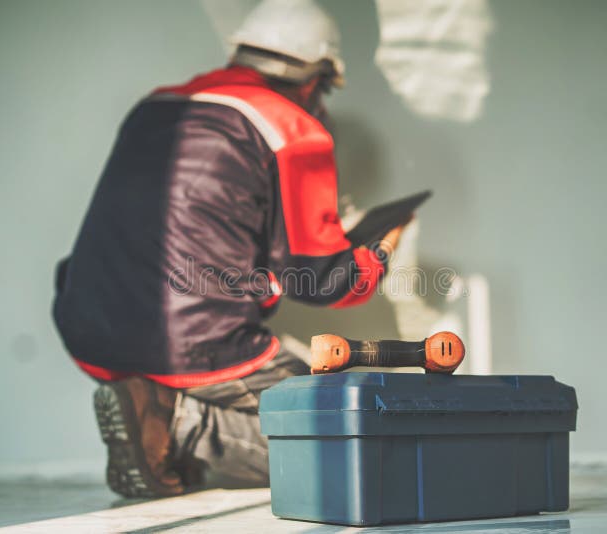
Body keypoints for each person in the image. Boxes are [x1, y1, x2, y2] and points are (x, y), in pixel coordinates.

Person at [52, 0, 407, 498]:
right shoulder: (291, 126)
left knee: (319, 415)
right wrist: (384, 246)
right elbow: (329, 281)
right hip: (195, 341)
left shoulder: (155, 105)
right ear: (317, 78)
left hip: (89, 323)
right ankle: (173, 423)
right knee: (353, 433)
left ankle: (156, 421)